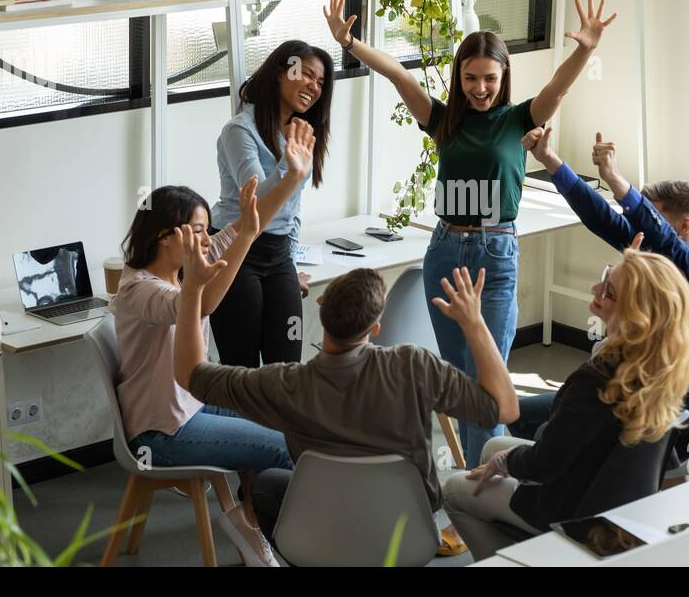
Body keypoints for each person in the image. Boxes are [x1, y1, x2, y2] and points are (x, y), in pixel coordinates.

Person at [324, 0, 618, 466]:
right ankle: (484, 478)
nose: (479, 88)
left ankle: (488, 480)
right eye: (470, 78)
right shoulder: (443, 121)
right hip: (445, 250)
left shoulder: (520, 118)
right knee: (462, 380)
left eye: (489, 79)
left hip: (494, 255)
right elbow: (399, 75)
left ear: (503, 79)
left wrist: (584, 48)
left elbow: (557, 89)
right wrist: (348, 43)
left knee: (488, 377)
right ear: (459, 78)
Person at [170, 229, 520, 550]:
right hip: (407, 530)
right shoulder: (414, 366)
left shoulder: (284, 383)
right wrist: (474, 324)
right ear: (376, 326)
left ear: (321, 310)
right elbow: (506, 410)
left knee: (267, 484)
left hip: (324, 526)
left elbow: (189, 374)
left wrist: (193, 289)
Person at [443, 250, 689, 560]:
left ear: (634, 315)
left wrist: (504, 462)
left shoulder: (596, 380)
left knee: (455, 490)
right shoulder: (662, 370)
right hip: (616, 506)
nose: (595, 288)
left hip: (576, 516)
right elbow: (666, 466)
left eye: (608, 290)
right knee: (493, 446)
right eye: (605, 277)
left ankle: (526, 559)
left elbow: (544, 463)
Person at [514, 126, 689, 470]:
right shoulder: (652, 247)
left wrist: (617, 180)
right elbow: (598, 215)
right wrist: (549, 159)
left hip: (663, 415)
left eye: (654, 218)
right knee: (517, 414)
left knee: (551, 433)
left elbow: (667, 244)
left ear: (683, 226)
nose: (645, 229)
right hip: (617, 390)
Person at [110, 180, 292, 567]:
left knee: (289, 423)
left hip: (194, 408)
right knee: (284, 448)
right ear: (164, 237)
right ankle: (294, 542)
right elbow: (200, 303)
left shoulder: (180, 271)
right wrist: (242, 237)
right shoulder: (139, 291)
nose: (207, 239)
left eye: (207, 230)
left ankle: (252, 521)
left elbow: (248, 227)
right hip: (162, 432)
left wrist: (291, 178)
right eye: (198, 231)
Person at [208, 39, 331, 368]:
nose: (313, 86)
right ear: (280, 72)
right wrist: (290, 170)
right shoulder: (239, 131)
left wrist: (289, 266)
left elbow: (292, 211)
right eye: (305, 74)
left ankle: (278, 424)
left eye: (320, 82)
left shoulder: (300, 135)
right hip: (236, 251)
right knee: (242, 367)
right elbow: (255, 209)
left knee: (288, 366)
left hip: (277, 256)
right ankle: (238, 424)